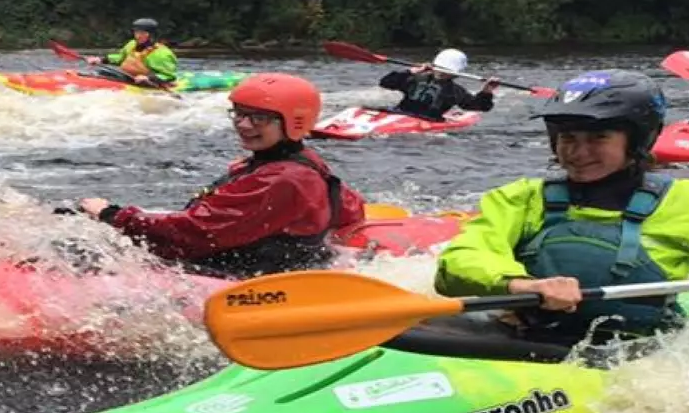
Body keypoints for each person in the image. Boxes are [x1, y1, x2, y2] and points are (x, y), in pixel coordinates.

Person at [435, 69, 689, 343]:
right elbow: (461, 261)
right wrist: (522, 285)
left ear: (638, 140)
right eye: (567, 138)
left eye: (598, 138)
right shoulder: (521, 198)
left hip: (637, 346)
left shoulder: (685, 199)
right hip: (531, 335)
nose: (577, 152)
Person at [77, 74, 367, 277]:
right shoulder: (297, 163)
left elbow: (196, 232)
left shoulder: (283, 179)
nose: (243, 124)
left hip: (239, 274)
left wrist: (113, 215)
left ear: (293, 121)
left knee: (79, 253)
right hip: (264, 259)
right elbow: (349, 206)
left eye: (258, 118)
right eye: (239, 114)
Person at [379, 48, 499, 121]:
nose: (441, 73)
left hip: (428, 121)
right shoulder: (415, 78)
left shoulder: (455, 91)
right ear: (434, 65)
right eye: (440, 68)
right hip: (399, 113)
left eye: (447, 70)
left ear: (455, 74)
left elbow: (479, 106)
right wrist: (410, 71)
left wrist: (487, 91)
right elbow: (385, 83)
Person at [87, 18, 179, 88]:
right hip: (129, 78)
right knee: (102, 73)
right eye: (137, 32)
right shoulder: (132, 44)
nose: (138, 36)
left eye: (143, 33)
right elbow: (121, 58)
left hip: (149, 84)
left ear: (152, 35)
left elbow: (168, 75)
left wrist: (148, 78)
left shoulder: (162, 54)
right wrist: (101, 60)